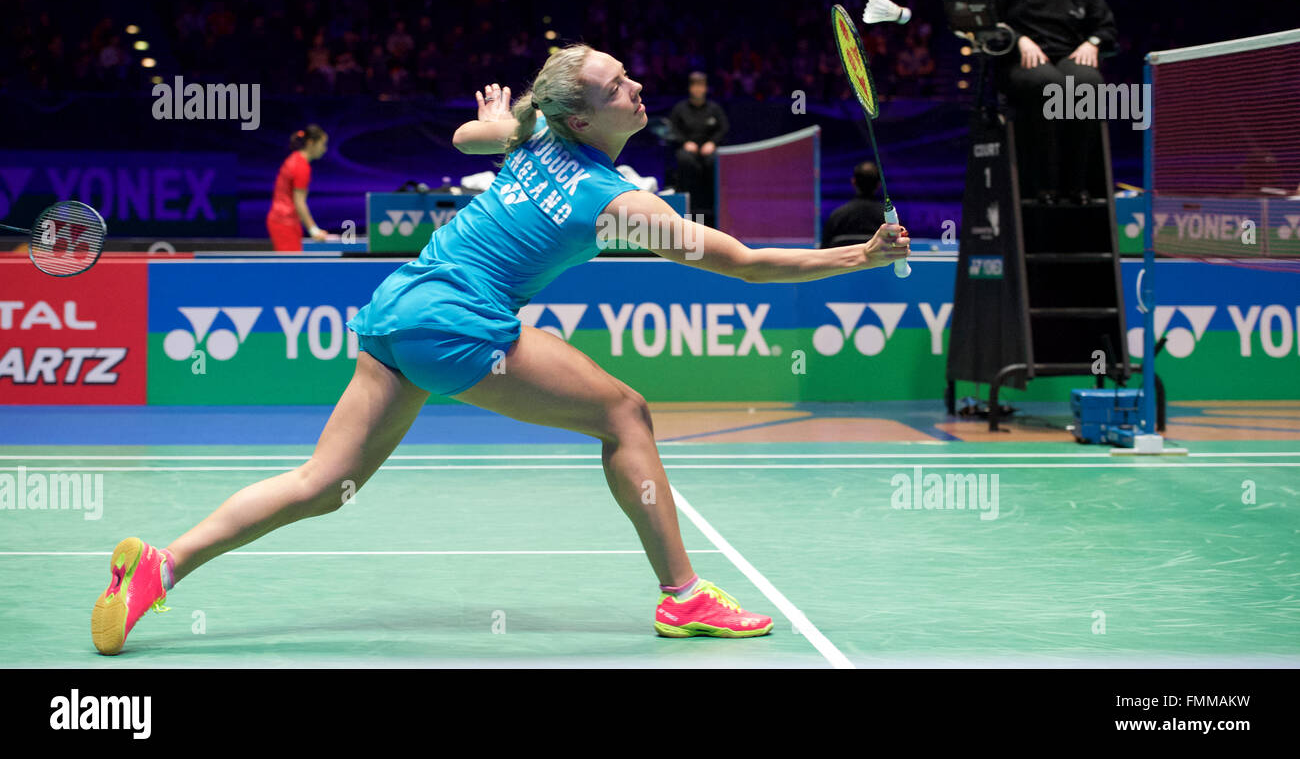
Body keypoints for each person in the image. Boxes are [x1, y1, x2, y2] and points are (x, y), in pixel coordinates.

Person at [90, 45, 910, 654]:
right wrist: (859, 257)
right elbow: (743, 261)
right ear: (583, 119)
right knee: (625, 411)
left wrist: (491, 127)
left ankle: (165, 564)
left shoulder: (542, 144)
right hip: (455, 316)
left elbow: (468, 139)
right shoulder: (611, 197)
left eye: (628, 74)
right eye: (617, 85)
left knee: (323, 484)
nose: (637, 87)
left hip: (399, 304)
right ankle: (683, 595)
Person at [982, 0, 1118, 204]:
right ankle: (1043, 187)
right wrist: (1018, 39)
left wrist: (1092, 42)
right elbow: (984, 23)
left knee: (1087, 84)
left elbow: (1107, 27)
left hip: (1067, 59)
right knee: (1050, 85)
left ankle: (1079, 187)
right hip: (1021, 65)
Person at [665, 71, 728, 224]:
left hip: (709, 149)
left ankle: (714, 207)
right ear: (690, 88)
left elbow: (723, 128)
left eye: (701, 85)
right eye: (695, 86)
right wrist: (684, 142)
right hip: (687, 148)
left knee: (714, 161)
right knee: (685, 160)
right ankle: (689, 208)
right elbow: (672, 128)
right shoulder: (680, 109)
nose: (698, 89)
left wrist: (712, 142)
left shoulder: (714, 109)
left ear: (705, 88)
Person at [266, 125, 330, 251]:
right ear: (311, 143)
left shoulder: (295, 159)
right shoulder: (301, 166)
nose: (324, 149)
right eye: (322, 144)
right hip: (284, 222)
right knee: (290, 268)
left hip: (287, 221)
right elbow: (299, 202)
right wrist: (314, 230)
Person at [822, 161, 888, 247]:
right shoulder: (889, 219)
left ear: (853, 182)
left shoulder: (836, 217)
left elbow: (824, 253)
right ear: (879, 184)